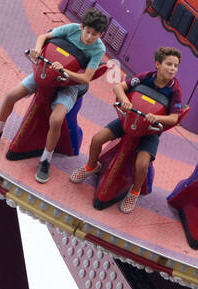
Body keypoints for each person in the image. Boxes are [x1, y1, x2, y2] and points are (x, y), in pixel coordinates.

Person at [0, 10, 109, 185]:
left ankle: (45, 160)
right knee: (11, 96)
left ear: (101, 34)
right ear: (82, 27)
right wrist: (37, 50)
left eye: (94, 34)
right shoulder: (72, 29)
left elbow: (86, 78)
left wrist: (64, 71)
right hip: (47, 71)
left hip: (70, 84)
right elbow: (44, 36)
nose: (89, 37)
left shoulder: (99, 49)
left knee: (56, 119)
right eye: (87, 31)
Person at [70, 46, 184, 213]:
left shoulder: (175, 90)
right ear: (157, 64)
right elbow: (118, 88)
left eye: (176, 66)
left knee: (142, 163)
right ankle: (91, 166)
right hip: (129, 120)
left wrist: (156, 117)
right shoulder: (145, 77)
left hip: (150, 131)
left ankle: (134, 191)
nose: (173, 69)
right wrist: (125, 101)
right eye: (169, 64)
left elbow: (174, 118)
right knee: (97, 139)